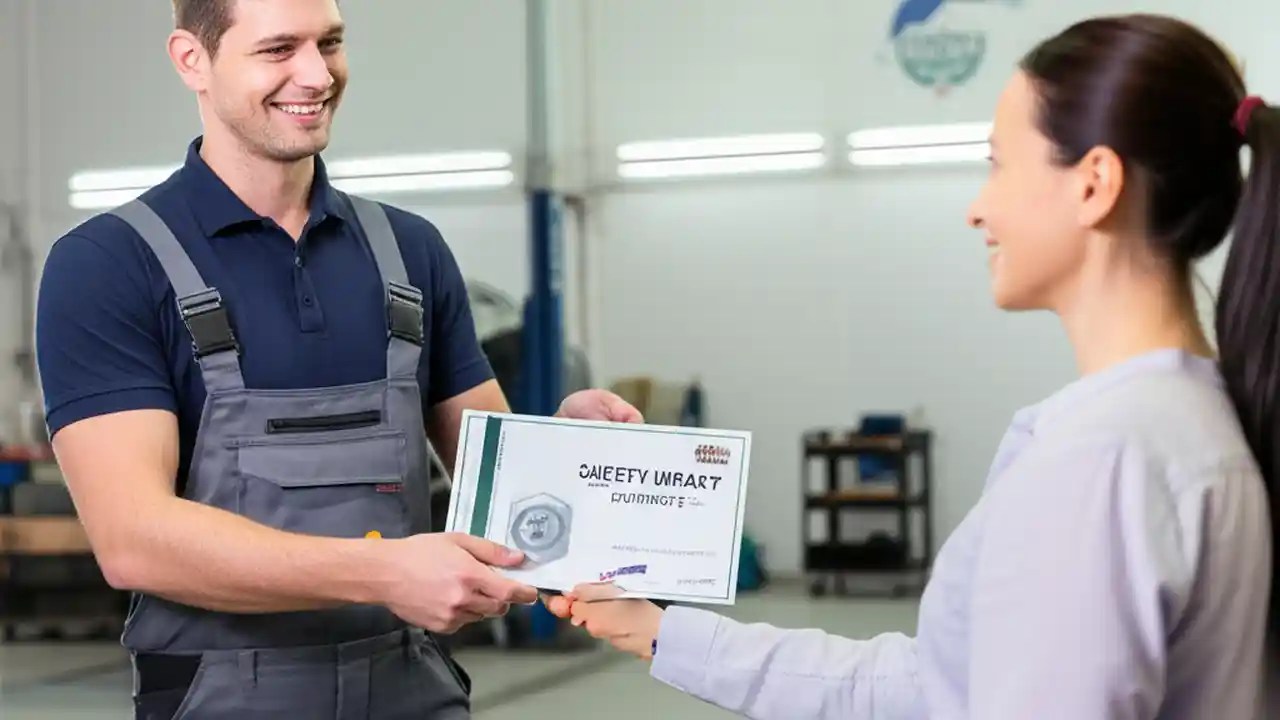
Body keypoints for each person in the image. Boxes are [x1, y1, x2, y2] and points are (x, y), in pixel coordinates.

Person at [547, 13, 1278, 719]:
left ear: (1094, 183)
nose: (977, 209)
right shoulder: (1191, 423)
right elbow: (941, 684)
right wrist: (660, 632)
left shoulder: (1105, 457)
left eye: (997, 165)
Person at [34, 0, 641, 718]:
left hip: (414, 687)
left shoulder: (409, 252)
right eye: (279, 49)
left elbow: (501, 494)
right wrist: (385, 573)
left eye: (330, 43)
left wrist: (566, 447)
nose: (316, 74)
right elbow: (135, 541)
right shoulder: (108, 265)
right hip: (222, 696)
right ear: (191, 59)